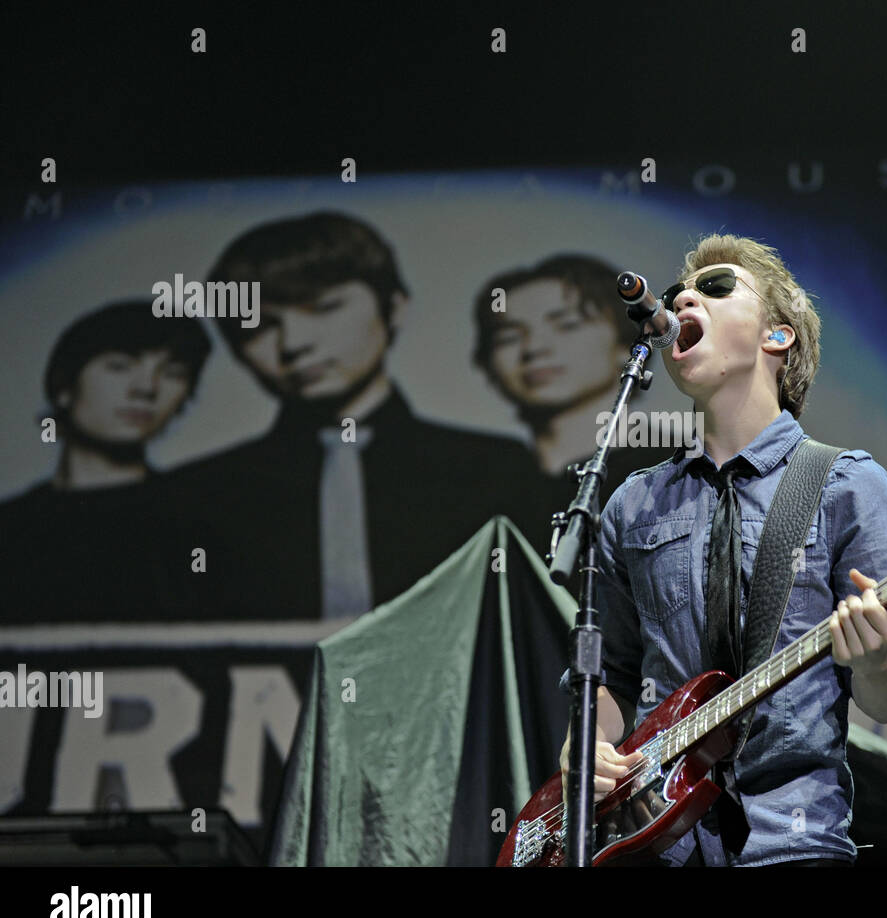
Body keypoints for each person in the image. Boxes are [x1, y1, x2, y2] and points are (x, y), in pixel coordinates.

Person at [558, 234, 887, 866]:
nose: (683, 299)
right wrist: (584, 747)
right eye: (677, 296)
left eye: (717, 288)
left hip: (796, 841)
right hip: (656, 847)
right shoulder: (632, 504)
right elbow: (613, 674)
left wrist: (875, 661)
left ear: (777, 338)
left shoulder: (847, 485)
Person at [166, 210, 538, 620]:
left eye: (324, 308)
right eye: (258, 326)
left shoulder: (499, 472)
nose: (293, 343)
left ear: (394, 308)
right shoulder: (195, 497)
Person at [0, 300, 211, 623]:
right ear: (64, 389)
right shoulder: (11, 529)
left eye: (173, 372)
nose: (146, 388)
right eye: (119, 366)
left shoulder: (198, 524)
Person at [472, 254, 670, 559]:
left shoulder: (674, 463)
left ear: (625, 344)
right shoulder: (476, 480)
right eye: (509, 336)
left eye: (567, 325)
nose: (534, 349)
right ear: (487, 365)